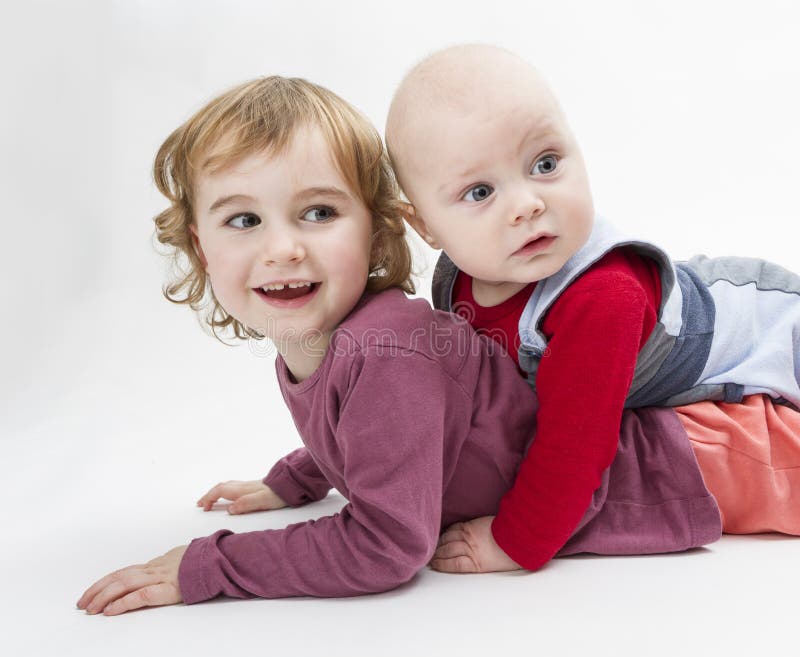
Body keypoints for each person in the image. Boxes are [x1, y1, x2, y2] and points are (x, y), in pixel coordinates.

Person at [75, 75, 744, 616]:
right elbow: (380, 435)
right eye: (244, 219)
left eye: (319, 212)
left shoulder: (388, 348)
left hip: (695, 464)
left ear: (377, 229)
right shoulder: (331, 340)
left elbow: (387, 545)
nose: (284, 248)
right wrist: (297, 477)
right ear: (201, 244)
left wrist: (211, 564)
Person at [385, 44, 800, 574]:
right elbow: (421, 389)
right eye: (480, 191)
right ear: (424, 225)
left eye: (545, 163)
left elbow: (575, 444)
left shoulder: (602, 298)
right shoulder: (460, 278)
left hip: (772, 325)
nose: (527, 204)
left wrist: (514, 541)